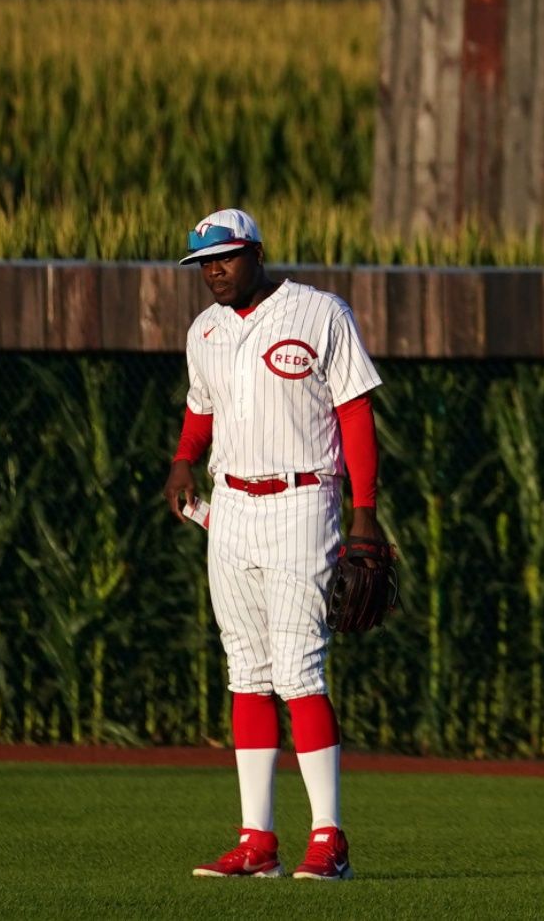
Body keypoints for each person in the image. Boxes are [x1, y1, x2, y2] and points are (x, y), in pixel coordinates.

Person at [164, 207, 385, 882]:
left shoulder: (318, 314)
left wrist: (365, 515)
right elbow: (201, 409)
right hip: (228, 507)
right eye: (204, 262)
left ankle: (329, 838)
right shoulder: (204, 331)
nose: (214, 271)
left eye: (226, 256)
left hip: (301, 501)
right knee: (246, 673)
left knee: (299, 672)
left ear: (256, 252)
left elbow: (354, 411)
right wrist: (181, 458)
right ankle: (257, 840)